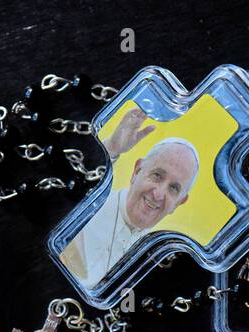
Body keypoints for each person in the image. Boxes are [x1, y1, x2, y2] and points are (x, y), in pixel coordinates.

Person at [60, 108, 199, 287]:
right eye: (157, 175)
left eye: (173, 188)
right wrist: (109, 150)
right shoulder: (91, 201)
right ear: (137, 171)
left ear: (179, 203)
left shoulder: (158, 258)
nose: (158, 194)